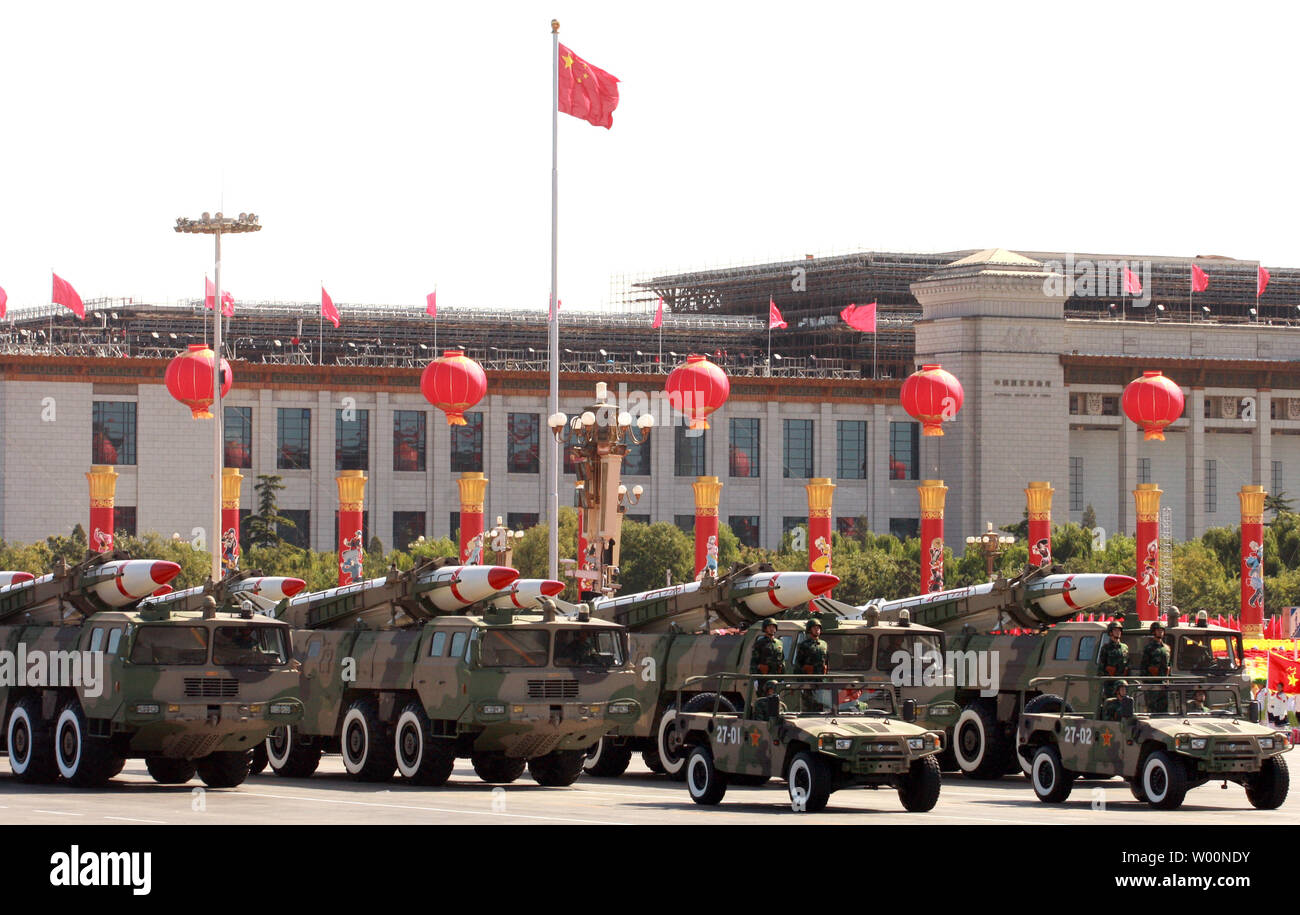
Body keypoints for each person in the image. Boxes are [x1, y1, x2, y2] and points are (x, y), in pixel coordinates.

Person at [1141, 620, 1171, 712]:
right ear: (1153, 632)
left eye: (1162, 630)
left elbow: (1169, 665)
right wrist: (1146, 683)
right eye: (1158, 630)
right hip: (1152, 684)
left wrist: (1168, 680)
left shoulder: (1166, 648)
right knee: (1152, 709)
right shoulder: (1148, 648)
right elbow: (1144, 666)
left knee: (1164, 709)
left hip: (1163, 684)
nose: (1160, 632)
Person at [1097, 621, 1129, 698]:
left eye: (1119, 630)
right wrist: (1103, 680)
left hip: (1122, 681)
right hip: (1110, 682)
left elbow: (1128, 663)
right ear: (1111, 632)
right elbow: (1101, 665)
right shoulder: (1106, 648)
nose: (1118, 632)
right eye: (1115, 630)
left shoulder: (1124, 647)